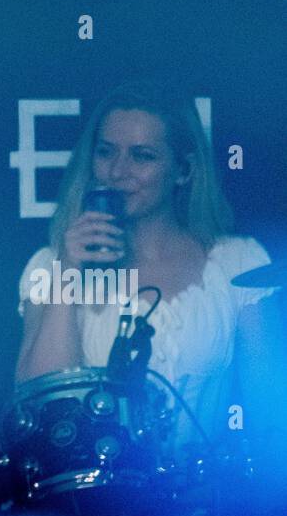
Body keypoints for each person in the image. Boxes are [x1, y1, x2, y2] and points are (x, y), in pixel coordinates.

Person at [15, 82, 283, 455]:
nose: (117, 171)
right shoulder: (50, 265)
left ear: (183, 171)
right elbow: (42, 408)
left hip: (205, 500)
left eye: (142, 156)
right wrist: (68, 269)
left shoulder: (237, 262)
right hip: (90, 501)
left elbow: (269, 410)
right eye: (106, 152)